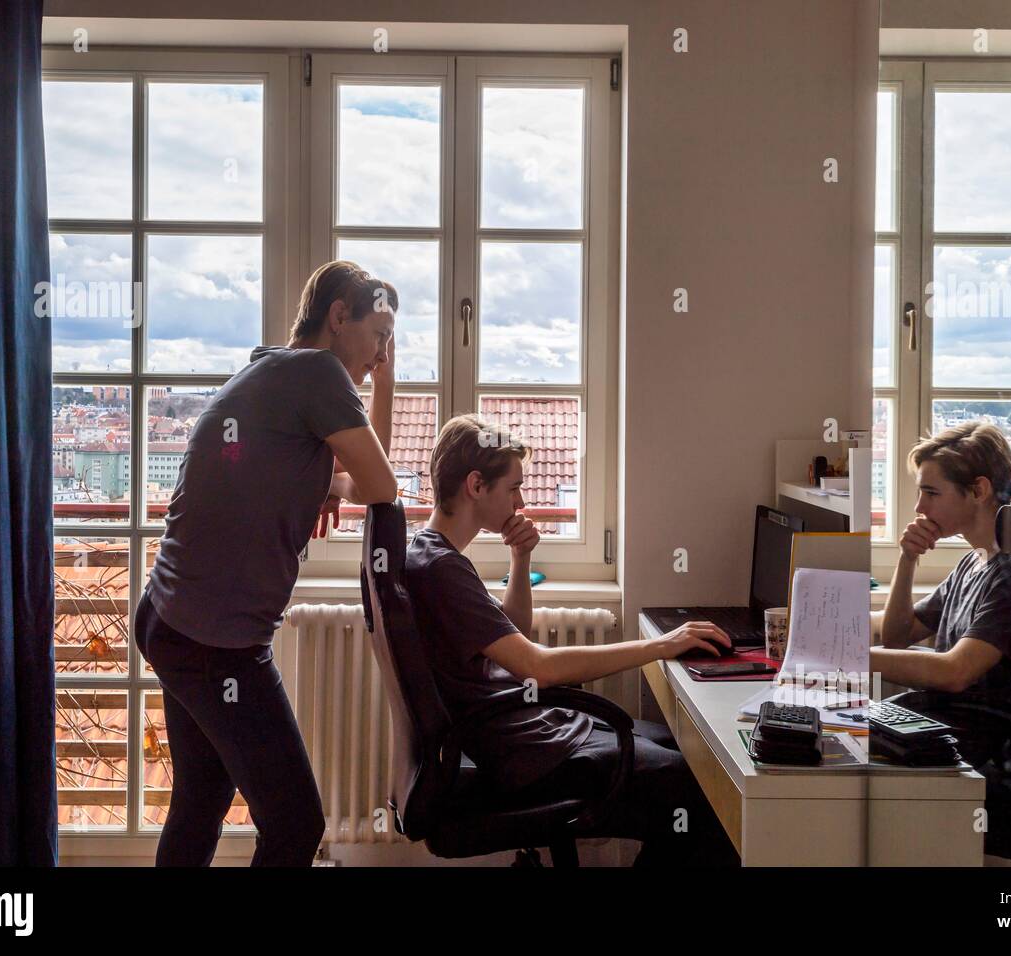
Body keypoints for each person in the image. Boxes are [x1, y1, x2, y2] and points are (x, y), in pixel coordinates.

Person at [134, 260, 401, 866]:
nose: (382, 353)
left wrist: (319, 486)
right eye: (378, 334)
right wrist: (342, 465)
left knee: (201, 799)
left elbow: (352, 486)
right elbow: (382, 485)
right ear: (338, 316)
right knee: (296, 825)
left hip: (173, 622)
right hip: (213, 642)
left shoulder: (273, 371)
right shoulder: (318, 373)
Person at [404, 414, 741, 866]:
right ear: (476, 485)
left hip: (530, 735)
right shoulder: (442, 569)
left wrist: (520, 559)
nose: (521, 501)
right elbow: (538, 666)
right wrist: (661, 645)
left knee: (693, 757)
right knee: (705, 792)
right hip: (531, 753)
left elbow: (514, 636)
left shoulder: (430, 554)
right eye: (513, 488)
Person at [870, 421, 1011, 858]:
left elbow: (957, 671)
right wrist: (907, 559)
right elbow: (898, 635)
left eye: (931, 493)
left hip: (983, 755)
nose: (919, 506)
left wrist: (856, 658)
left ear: (978, 490)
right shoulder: (972, 563)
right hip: (945, 735)